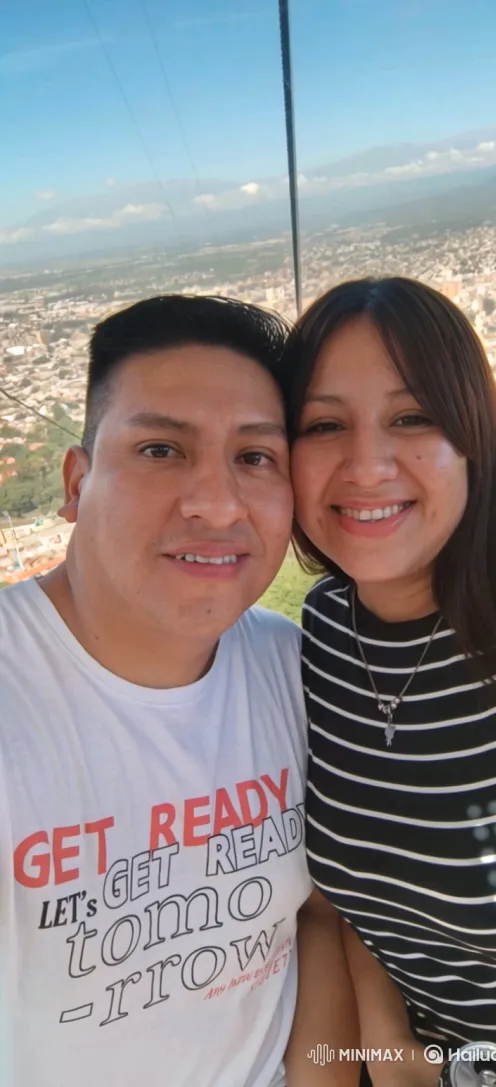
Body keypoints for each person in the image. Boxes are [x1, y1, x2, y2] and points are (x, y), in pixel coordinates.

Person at [0, 295, 357, 1087]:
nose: (217, 503)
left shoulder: (291, 665)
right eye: (161, 449)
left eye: (256, 458)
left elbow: (316, 915)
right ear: (75, 481)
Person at [286, 277, 496, 1086]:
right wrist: (395, 1062)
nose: (366, 464)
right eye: (324, 425)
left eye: (412, 416)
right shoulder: (322, 633)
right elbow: (353, 905)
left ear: (473, 434)